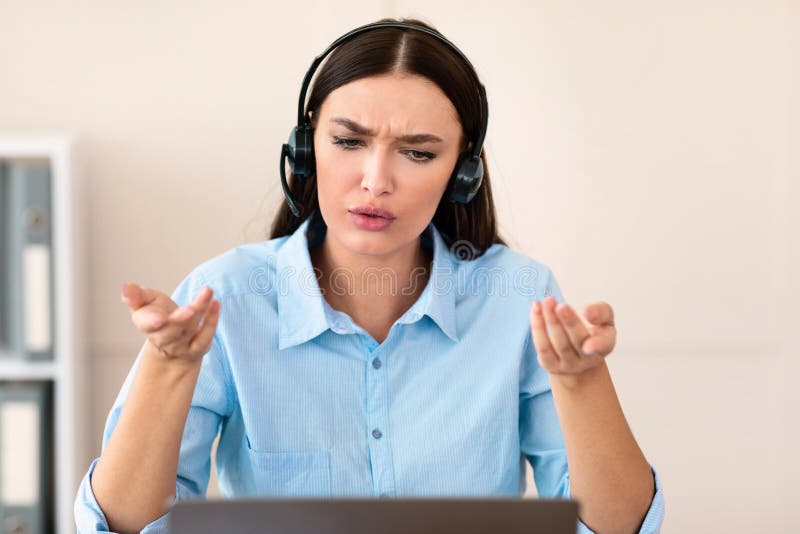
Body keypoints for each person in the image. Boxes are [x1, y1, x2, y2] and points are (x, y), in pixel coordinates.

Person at [74, 17, 664, 534]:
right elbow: (121, 527)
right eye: (349, 141)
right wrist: (168, 369)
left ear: (462, 173)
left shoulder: (519, 298)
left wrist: (583, 384)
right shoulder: (227, 296)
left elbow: (616, 528)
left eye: (418, 153)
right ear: (306, 150)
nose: (376, 180)